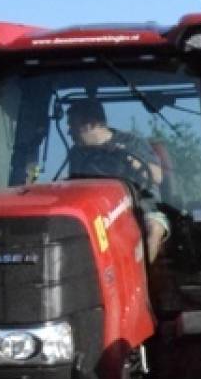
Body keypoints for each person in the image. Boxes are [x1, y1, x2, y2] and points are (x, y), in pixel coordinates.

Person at [64, 99, 170, 259]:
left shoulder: (132, 143)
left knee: (154, 229)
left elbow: (157, 176)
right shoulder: (77, 153)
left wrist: (128, 158)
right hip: (95, 211)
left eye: (73, 126)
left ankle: (141, 278)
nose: (69, 132)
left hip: (139, 208)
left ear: (90, 124)